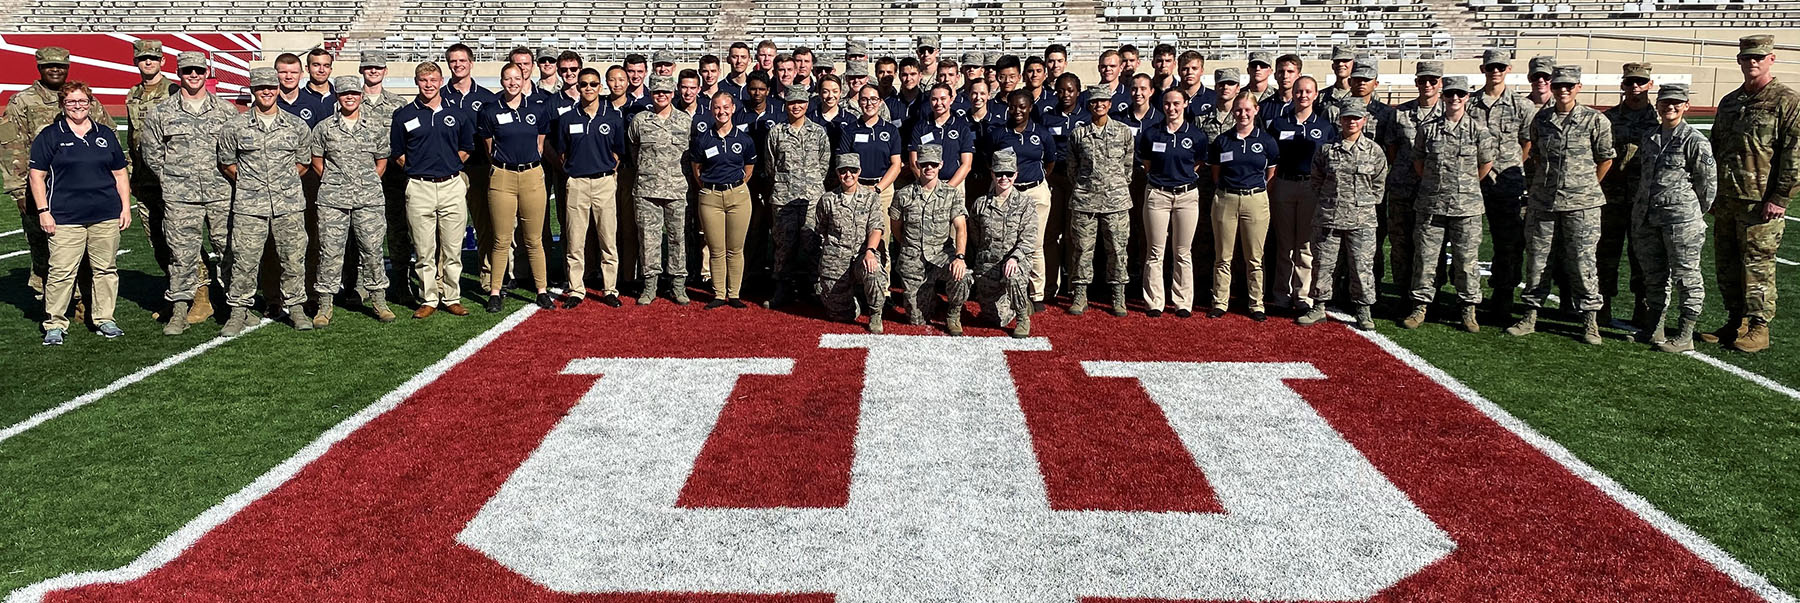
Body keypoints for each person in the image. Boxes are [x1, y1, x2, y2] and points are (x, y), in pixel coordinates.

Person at [1704, 34, 1800, 352]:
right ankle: (1736, 322)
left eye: (1759, 56)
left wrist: (1780, 197)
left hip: (1761, 203)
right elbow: (1715, 149)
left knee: (1758, 264)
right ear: (1739, 61)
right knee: (1728, 265)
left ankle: (1759, 327)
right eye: (1747, 57)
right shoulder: (1730, 102)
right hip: (1728, 198)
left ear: (1772, 59)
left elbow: (1795, 154)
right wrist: (1713, 194)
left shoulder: (1787, 101)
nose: (1753, 62)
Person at [1508, 65, 1616, 345]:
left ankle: (1590, 321)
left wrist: (1587, 185)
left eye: (1569, 85)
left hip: (1582, 204)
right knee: (1538, 261)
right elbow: (1534, 156)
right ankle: (1530, 314)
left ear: (1579, 87)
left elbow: (1605, 158)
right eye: (1558, 86)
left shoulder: (1595, 120)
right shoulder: (1542, 119)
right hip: (1544, 202)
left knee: (1583, 262)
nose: (1563, 90)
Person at [2, 47, 116, 302]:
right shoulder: (22, 101)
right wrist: (19, 192)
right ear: (39, 67)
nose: (55, 69)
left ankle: (82, 300)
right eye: (49, 65)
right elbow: (11, 147)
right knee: (44, 250)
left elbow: (107, 139)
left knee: (87, 250)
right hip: (40, 190)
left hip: (83, 191)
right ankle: (51, 304)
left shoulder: (87, 100)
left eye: (61, 65)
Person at [27, 81, 130, 345]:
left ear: (90, 103)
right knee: (61, 271)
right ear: (63, 104)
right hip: (65, 216)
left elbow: (119, 173)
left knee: (105, 269)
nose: (77, 106)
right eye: (71, 102)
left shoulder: (105, 134)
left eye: (82, 101)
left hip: (105, 214)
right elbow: (36, 176)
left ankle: (105, 318)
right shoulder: (50, 135)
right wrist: (43, 211)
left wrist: (125, 207)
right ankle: (55, 323)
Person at [142, 51, 237, 334]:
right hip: (180, 197)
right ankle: (180, 310)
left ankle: (237, 308)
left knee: (229, 249)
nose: (193, 75)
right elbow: (152, 153)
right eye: (187, 71)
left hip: (220, 192)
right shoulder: (162, 112)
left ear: (206, 72)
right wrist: (173, 179)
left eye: (198, 70)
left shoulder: (226, 111)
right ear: (179, 74)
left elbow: (235, 151)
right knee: (181, 255)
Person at [218, 67, 318, 335]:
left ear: (278, 90)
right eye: (261, 87)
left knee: (293, 258)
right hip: (250, 206)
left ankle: (296, 308)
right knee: (245, 260)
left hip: (288, 204)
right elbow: (227, 162)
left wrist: (279, 181)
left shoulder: (296, 126)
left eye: (271, 87)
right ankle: (238, 311)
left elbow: (303, 162)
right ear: (252, 91)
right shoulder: (235, 126)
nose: (266, 92)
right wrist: (253, 183)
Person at [1404, 76, 1494, 333]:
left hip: (1466, 207)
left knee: (1466, 261)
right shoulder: (1428, 129)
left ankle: (1468, 308)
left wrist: (1465, 185)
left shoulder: (1478, 130)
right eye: (1450, 94)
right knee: (1426, 259)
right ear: (1443, 96)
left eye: (1460, 95)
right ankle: (1420, 306)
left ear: (1467, 97)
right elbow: (1418, 161)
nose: (1455, 99)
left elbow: (1485, 163)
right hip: (1431, 204)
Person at [1633, 84, 1716, 352]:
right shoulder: (1650, 137)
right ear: (1657, 105)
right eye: (1665, 102)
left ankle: (1684, 335)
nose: (1670, 107)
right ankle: (1654, 328)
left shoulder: (1694, 140)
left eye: (1676, 103)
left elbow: (1708, 183)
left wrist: (1691, 212)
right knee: (1654, 275)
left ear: (1686, 106)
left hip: (1681, 221)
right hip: (1648, 217)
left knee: (1686, 276)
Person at [391, 61, 476, 319]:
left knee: (452, 249)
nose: (429, 85)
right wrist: (418, 169)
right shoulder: (404, 115)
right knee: (424, 249)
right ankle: (428, 297)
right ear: (417, 83)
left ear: (441, 81)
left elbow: (467, 147)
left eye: (433, 80)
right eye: (423, 80)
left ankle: (451, 296)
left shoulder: (457, 114)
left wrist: (449, 165)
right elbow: (398, 153)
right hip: (419, 187)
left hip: (451, 185)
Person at [309, 75, 396, 326]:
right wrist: (335, 181)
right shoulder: (324, 128)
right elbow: (317, 159)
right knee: (330, 251)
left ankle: (379, 300)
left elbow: (381, 162)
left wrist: (365, 181)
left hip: (368, 198)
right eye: (344, 93)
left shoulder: (375, 128)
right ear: (337, 96)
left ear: (360, 96)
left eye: (354, 93)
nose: (349, 97)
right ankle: (325, 304)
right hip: (333, 199)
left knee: (372, 250)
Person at [1297, 102, 1387, 331]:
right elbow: (1315, 179)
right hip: (1329, 216)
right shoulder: (1326, 149)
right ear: (1340, 120)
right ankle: (1319, 306)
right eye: (1347, 118)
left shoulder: (1374, 151)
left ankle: (1363, 309)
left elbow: (1379, 184)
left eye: (1356, 118)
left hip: (1362, 219)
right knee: (1324, 264)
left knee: (1361, 265)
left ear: (1364, 120)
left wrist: (1363, 204)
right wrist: (1330, 201)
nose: (1351, 122)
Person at [477, 64, 554, 313]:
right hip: (502, 176)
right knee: (501, 239)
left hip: (532, 175)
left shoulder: (537, 109)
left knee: (534, 239)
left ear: (524, 80)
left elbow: (540, 143)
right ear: (501, 81)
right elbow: (489, 147)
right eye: (507, 78)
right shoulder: (490, 110)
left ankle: (542, 290)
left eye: (517, 78)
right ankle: (495, 291)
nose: (512, 83)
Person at [552, 67, 627, 308]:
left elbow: (618, 152)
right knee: (575, 240)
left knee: (608, 239)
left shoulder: (613, 117)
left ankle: (610, 289)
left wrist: (605, 169)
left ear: (600, 87)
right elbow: (562, 152)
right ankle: (576, 289)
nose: (588, 88)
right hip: (577, 183)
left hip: (604, 182)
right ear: (578, 87)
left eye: (593, 84)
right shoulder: (567, 118)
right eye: (584, 84)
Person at [980, 89, 1059, 314]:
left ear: (1030, 108)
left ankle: (1036, 293)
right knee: (999, 242)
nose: (1017, 111)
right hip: (1004, 192)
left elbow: (1050, 162)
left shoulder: (1041, 133)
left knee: (1034, 244)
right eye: (1013, 106)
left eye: (1022, 106)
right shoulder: (997, 134)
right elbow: (987, 159)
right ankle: (1000, 289)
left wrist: (1034, 179)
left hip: (1034, 192)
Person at [1471, 48, 1534, 320]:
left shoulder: (1522, 105)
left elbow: (1528, 141)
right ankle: (1468, 296)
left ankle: (1503, 294)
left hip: (1507, 183)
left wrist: (1512, 166)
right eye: (1490, 67)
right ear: (1482, 69)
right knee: (1466, 242)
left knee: (1507, 242)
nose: (1494, 71)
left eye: (1500, 67)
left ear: (1508, 69)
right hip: (1470, 181)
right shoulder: (1469, 103)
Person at [1207, 93, 1279, 321]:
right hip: (1226, 199)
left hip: (1255, 200)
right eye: (1238, 109)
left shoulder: (1266, 141)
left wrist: (1255, 192)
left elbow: (1272, 173)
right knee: (1223, 256)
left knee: (1254, 257)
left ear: (1256, 110)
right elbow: (1216, 174)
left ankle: (1256, 303)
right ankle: (1220, 301)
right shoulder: (1223, 140)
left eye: (1247, 109)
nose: (1243, 114)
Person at [1265, 76, 1333, 314]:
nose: (1303, 95)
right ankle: (1281, 294)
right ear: (1293, 94)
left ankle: (1303, 295)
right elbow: (1271, 157)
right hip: (1284, 184)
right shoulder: (1279, 124)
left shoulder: (1324, 126)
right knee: (1284, 244)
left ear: (1315, 95)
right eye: (1299, 91)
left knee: (1305, 245)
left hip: (1310, 188)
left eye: (1308, 91)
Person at [1066, 85, 1136, 316]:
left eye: (1103, 101)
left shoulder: (1124, 132)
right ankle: (1080, 294)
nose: (1099, 105)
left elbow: (1128, 166)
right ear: (1089, 105)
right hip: (1085, 201)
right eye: (1095, 102)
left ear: (1110, 104)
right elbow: (1072, 169)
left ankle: (1118, 295)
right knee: (1082, 249)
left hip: (1116, 202)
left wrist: (1114, 186)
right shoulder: (1078, 134)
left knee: (1117, 250)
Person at [1138, 88, 1208, 318]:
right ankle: (1155, 301)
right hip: (1158, 194)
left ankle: (1183, 301)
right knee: (1155, 251)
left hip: (1186, 196)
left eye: (1177, 103)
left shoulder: (1196, 135)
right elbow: (1147, 163)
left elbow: (1197, 163)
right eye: (1167, 104)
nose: (1172, 108)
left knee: (1182, 251)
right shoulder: (1151, 134)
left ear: (1186, 104)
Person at [1600, 62, 1660, 328]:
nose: (1635, 87)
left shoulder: (1659, 120)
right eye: (1629, 82)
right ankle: (1602, 304)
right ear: (1622, 85)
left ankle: (1643, 305)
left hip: (1643, 200)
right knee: (1605, 254)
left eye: (1640, 82)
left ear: (1650, 84)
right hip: (1611, 199)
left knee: (1643, 255)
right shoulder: (1607, 119)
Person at [764, 83, 832, 308]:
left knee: (813, 244)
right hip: (784, 199)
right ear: (786, 104)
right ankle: (782, 287)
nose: (796, 107)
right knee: (784, 245)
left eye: (801, 102)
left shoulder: (818, 132)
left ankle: (814, 289)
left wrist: (811, 186)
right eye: (792, 102)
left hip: (812, 199)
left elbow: (824, 164)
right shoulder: (776, 132)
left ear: (807, 104)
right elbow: (771, 165)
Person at [629, 74, 695, 305]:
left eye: (666, 92)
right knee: (648, 239)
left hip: (677, 190)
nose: (661, 96)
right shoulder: (640, 120)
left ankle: (678, 284)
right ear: (651, 93)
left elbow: (691, 154)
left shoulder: (685, 121)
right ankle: (650, 285)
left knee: (679, 239)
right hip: (647, 191)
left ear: (673, 94)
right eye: (657, 92)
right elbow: (634, 151)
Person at [690, 90, 758, 308]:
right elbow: (697, 170)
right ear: (711, 110)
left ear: (733, 109)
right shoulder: (703, 139)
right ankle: (719, 294)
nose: (722, 111)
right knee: (715, 248)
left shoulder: (744, 139)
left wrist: (733, 187)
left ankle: (735, 293)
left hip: (738, 196)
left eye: (726, 107)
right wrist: (712, 187)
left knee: (735, 248)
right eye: (717, 107)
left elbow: (748, 169)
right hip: (710, 197)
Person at [890, 144, 970, 329]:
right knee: (916, 320)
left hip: (941, 255)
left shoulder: (952, 194)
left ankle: (953, 314)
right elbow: (896, 227)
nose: (929, 168)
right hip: (913, 258)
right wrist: (908, 247)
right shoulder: (903, 195)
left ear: (940, 165)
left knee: (962, 276)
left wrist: (959, 257)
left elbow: (961, 227)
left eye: (933, 164)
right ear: (917, 164)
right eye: (925, 164)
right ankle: (930, 298)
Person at [1386, 61, 1444, 293]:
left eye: (1433, 80)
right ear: (1416, 82)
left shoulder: (1449, 113)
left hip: (1435, 191)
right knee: (1401, 243)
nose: (1427, 84)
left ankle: (1431, 293)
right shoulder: (1400, 114)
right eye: (1423, 80)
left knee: (1432, 246)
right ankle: (1401, 292)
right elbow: (1392, 149)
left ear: (1440, 83)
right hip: (1403, 189)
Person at [813, 153, 889, 332]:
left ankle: (875, 313)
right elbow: (821, 229)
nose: (848, 175)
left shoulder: (871, 198)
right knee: (840, 316)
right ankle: (853, 302)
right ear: (837, 173)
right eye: (843, 171)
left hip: (863, 254)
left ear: (859, 171)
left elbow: (876, 228)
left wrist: (870, 251)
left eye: (853, 170)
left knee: (874, 272)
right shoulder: (827, 200)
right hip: (836, 259)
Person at [966, 150, 1037, 338]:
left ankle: (1023, 317)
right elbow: (975, 236)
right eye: (999, 173)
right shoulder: (980, 204)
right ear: (992, 174)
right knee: (994, 319)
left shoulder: (1025, 204)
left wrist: (1014, 258)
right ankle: (1010, 304)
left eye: (1008, 174)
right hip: (988, 264)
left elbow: (1029, 239)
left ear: (1016, 175)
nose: (1004, 178)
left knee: (1013, 277)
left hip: (1015, 261)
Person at [126, 39, 177, 283]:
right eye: (143, 58)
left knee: (179, 240)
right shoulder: (132, 94)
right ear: (135, 61)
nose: (148, 62)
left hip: (170, 179)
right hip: (144, 181)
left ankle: (201, 295)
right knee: (156, 240)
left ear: (162, 61)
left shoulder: (174, 92)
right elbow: (131, 138)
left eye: (154, 58)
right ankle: (174, 291)